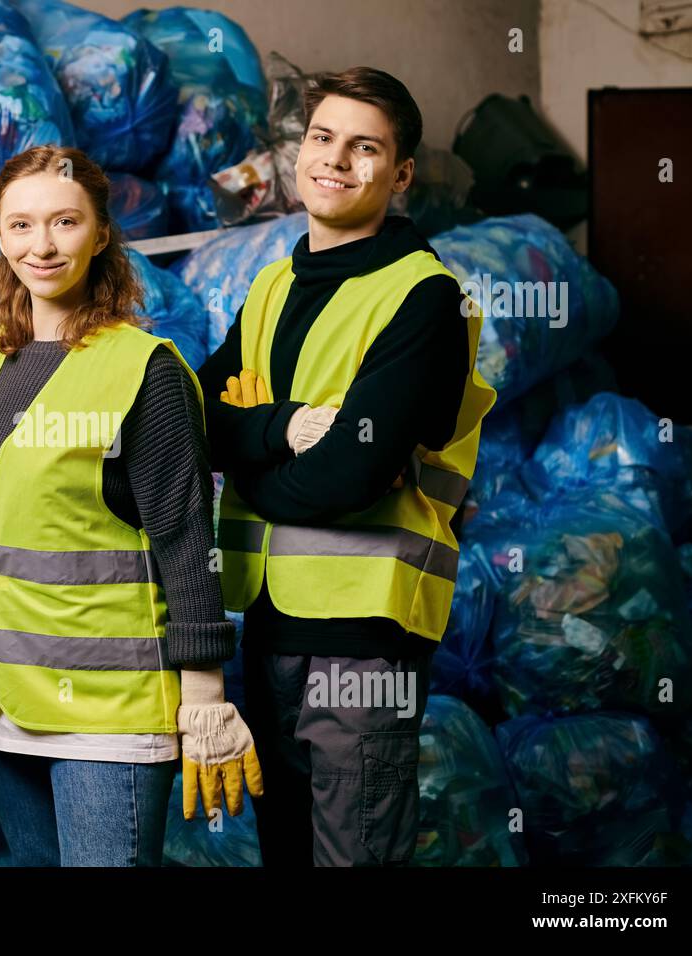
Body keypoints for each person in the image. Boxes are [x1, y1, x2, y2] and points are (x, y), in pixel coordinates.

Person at [0, 146, 263, 867]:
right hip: (6, 710)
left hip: (108, 721)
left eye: (64, 222)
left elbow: (183, 538)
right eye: (20, 225)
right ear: (0, 236)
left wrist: (204, 694)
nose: (40, 245)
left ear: (102, 233)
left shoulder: (144, 369)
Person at [198, 67, 495, 866]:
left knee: (356, 856)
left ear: (399, 175)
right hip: (267, 627)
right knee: (288, 853)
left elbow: (346, 480)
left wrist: (250, 460)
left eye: (365, 148)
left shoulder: (426, 298)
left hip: (364, 643)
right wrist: (287, 427)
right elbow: (199, 422)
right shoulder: (270, 285)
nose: (335, 160)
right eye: (323, 138)